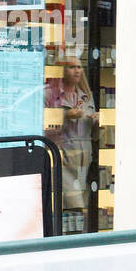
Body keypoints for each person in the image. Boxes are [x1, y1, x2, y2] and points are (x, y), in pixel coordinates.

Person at [44, 57, 98, 210]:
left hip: (84, 158)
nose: (77, 71)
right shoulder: (48, 94)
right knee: (75, 204)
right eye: (71, 67)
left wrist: (97, 122)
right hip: (62, 155)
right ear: (62, 70)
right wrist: (65, 116)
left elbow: (94, 134)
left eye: (79, 67)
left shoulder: (86, 96)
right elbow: (40, 124)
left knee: (80, 202)